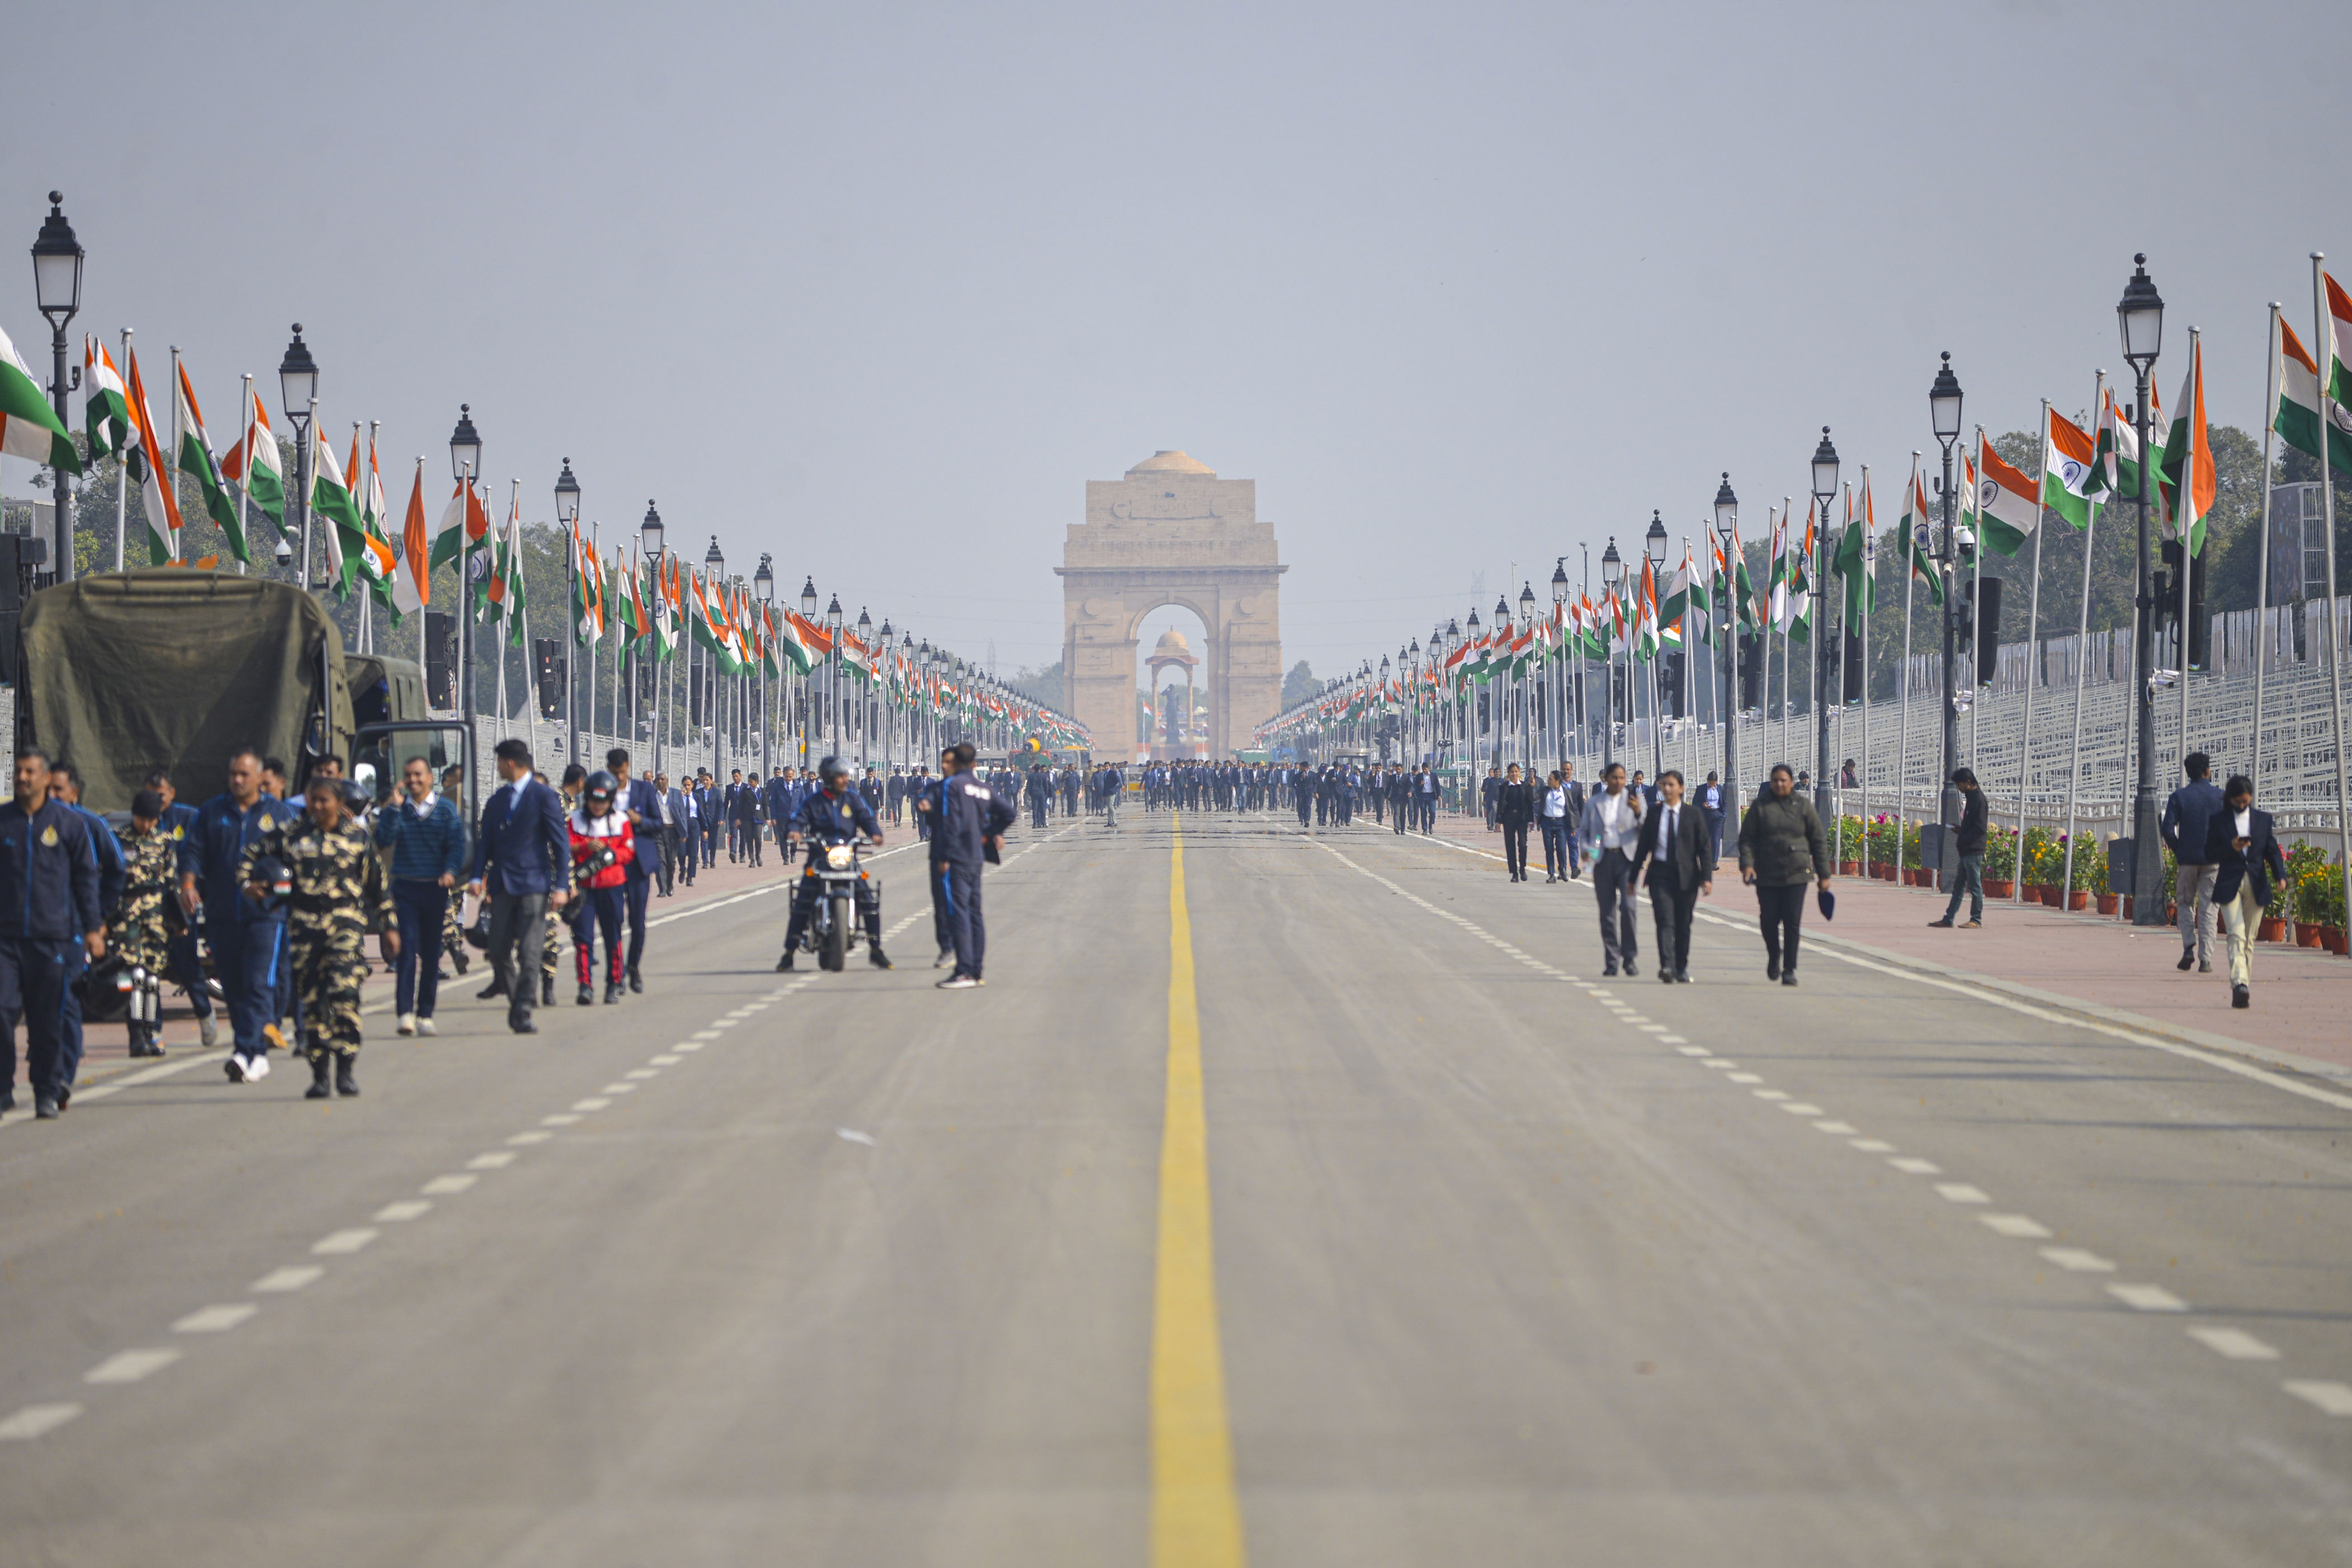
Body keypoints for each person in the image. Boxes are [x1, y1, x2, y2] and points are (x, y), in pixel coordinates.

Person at [242, 773, 395, 1099]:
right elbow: (251, 853)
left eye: (324, 800)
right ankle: (320, 1075)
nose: (317, 806)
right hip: (305, 930)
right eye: (312, 800)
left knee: (344, 997)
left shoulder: (357, 838)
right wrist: (248, 885)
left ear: (339, 804)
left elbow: (378, 886)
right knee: (313, 1003)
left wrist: (390, 927)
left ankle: (346, 1070)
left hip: (346, 930)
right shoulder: (292, 835)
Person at [180, 749, 301, 1083]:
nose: (237, 780)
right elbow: (193, 851)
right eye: (233, 774)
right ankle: (251, 1053)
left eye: (244, 775)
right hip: (222, 915)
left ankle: (247, 1051)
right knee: (232, 987)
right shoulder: (211, 812)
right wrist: (188, 883)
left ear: (260, 778)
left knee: (258, 983)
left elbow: (299, 861)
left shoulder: (281, 814)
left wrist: (281, 889)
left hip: (267, 916)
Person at [0, 750, 103, 1118]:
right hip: (6, 940)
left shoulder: (67, 824)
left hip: (52, 938)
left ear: (45, 779)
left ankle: (46, 1090)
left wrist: (93, 927)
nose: (22, 777)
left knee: (47, 1020)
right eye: (18, 771)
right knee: (1, 1012)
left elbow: (86, 878)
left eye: (30, 771)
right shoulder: (3, 821)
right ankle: (2, 1088)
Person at [469, 739, 569, 1034]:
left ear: (510, 763)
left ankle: (523, 1010)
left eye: (499, 762)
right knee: (498, 951)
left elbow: (560, 844)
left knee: (530, 951)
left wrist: (561, 884)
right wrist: (477, 877)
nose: (498, 767)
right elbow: (484, 842)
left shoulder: (544, 797)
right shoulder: (498, 800)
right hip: (501, 887)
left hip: (533, 886)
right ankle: (517, 1001)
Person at [374, 755, 465, 1036]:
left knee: (430, 954)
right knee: (406, 952)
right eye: (408, 776)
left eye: (418, 775)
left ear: (429, 778)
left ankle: (426, 1014)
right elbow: (383, 840)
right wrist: (392, 809)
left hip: (434, 889)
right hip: (405, 888)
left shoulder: (447, 810)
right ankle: (405, 1014)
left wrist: (450, 870)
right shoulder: (398, 811)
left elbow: (456, 846)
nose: (413, 780)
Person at [48, 762, 124, 1093]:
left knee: (66, 996)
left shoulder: (89, 825)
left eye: (59, 790)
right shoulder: (28, 823)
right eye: (47, 789)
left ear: (74, 793)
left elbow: (115, 871)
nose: (51, 796)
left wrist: (98, 919)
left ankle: (63, 1074)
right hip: (32, 929)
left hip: (75, 928)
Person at [777, 756, 891, 972]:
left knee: (868, 899)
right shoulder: (814, 801)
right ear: (829, 778)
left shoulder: (853, 799)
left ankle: (876, 950)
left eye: (846, 776)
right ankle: (788, 954)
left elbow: (866, 818)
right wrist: (794, 830)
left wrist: (875, 833)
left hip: (847, 858)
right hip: (820, 858)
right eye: (840, 776)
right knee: (803, 899)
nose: (845, 780)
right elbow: (799, 818)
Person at [920, 741, 1014, 988]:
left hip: (957, 856)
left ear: (958, 762)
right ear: (974, 764)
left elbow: (952, 824)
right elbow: (1008, 813)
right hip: (976, 856)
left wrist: (944, 857)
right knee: (975, 912)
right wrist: (990, 833)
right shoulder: (982, 787)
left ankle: (964, 971)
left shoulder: (954, 785)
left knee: (958, 912)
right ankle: (977, 969)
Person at [1738, 764, 1831, 986]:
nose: (1779, 784)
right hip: (1767, 873)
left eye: (1783, 780)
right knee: (1768, 921)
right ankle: (1774, 955)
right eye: (1775, 781)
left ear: (1791, 782)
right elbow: (1747, 839)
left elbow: (1818, 841)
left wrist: (1824, 875)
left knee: (1792, 922)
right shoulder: (1761, 806)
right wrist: (1748, 865)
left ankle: (1790, 969)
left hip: (1797, 873)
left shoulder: (1803, 806)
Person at [145, 768, 217, 1047]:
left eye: (161, 795)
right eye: (151, 795)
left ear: (172, 793)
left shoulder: (189, 818)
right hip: (149, 908)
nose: (157, 800)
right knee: (151, 969)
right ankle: (154, 1031)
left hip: (180, 905)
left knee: (187, 965)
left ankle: (204, 1012)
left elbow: (201, 856)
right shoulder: (143, 820)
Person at [2204, 775, 2287, 1010]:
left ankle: (2243, 986)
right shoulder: (2219, 821)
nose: (2242, 806)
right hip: (2229, 882)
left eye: (2245, 801)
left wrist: (2280, 875)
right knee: (2235, 934)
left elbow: (2271, 850)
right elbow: (2210, 852)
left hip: (2256, 883)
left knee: (2249, 939)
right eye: (2238, 802)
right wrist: (2231, 847)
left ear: (2251, 797)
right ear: (2230, 799)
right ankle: (2239, 982)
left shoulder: (2262, 820)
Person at [1631, 769, 1715, 983]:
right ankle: (1666, 966)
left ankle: (1681, 967)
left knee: (1683, 923)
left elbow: (1704, 848)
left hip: (1687, 877)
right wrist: (1632, 877)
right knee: (1664, 920)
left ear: (1681, 788)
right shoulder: (1655, 814)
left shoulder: (1693, 815)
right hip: (1660, 874)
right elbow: (1643, 847)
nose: (1667, 789)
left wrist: (1706, 877)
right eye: (1664, 785)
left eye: (1671, 785)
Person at [111, 790, 177, 1057]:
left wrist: (177, 920)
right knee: (132, 975)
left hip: (156, 917)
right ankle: (135, 1034)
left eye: (151, 820)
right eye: (141, 819)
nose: (146, 825)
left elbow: (171, 883)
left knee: (151, 977)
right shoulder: (118, 839)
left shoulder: (164, 841)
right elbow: (109, 880)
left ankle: (151, 1032)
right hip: (126, 917)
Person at [568, 770, 636, 1004]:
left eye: (603, 802)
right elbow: (566, 845)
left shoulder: (621, 820)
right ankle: (585, 985)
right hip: (584, 888)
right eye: (594, 801)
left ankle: (614, 982)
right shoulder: (575, 820)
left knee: (613, 936)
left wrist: (611, 854)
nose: (598, 806)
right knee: (583, 938)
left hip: (612, 886)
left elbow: (629, 851)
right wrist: (585, 846)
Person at [2160, 752, 2226, 974]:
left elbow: (2167, 829)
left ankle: (2189, 946)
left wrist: (2180, 849)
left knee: (2186, 903)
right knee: (2209, 908)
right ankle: (2206, 959)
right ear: (2208, 771)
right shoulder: (2220, 797)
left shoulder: (2179, 797)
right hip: (2213, 861)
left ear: (2188, 773)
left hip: (2187, 860)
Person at [1578, 761, 1645, 976]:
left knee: (1629, 907)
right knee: (1607, 912)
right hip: (1604, 860)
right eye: (1615, 778)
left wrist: (1638, 814)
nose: (1619, 782)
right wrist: (1588, 851)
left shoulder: (1635, 801)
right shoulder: (1595, 803)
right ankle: (1612, 960)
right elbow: (1586, 832)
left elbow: (1646, 829)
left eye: (1622, 778)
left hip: (1627, 860)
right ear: (1606, 779)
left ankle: (1630, 957)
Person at [611, 749, 661, 988]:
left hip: (638, 864)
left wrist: (640, 821)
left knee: (637, 922)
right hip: (612, 864)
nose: (619, 777)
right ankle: (616, 972)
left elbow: (659, 824)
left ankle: (633, 966)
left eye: (622, 772)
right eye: (615, 773)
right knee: (614, 920)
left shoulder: (644, 790)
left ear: (628, 767)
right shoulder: (603, 791)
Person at [1928, 767, 1988, 929]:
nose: (1959, 789)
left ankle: (1976, 919)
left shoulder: (1979, 800)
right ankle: (1949, 918)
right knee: (1959, 887)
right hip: (1966, 850)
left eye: (1960, 785)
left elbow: (1980, 828)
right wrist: (1961, 830)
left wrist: (1965, 838)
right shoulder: (1971, 798)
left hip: (1973, 850)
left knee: (1975, 886)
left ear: (1968, 782)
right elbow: (1972, 825)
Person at [436, 764, 472, 979]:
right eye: (456, 780)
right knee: (446, 916)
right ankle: (456, 954)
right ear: (446, 782)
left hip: (461, 871)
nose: (460, 785)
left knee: (451, 918)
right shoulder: (438, 806)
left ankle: (451, 955)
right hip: (439, 871)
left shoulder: (467, 806)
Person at [1496, 762, 1536, 882]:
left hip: (1522, 819)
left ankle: (1522, 868)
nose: (1514, 774)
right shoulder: (1504, 787)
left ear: (1519, 773)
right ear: (1509, 774)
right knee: (1510, 845)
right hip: (1508, 818)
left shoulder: (1525, 787)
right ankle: (1514, 873)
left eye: (1516, 772)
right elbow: (1501, 803)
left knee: (1523, 844)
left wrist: (1531, 820)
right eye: (1512, 772)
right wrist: (1498, 821)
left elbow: (1530, 804)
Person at [1539, 770, 1572, 882]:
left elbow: (1570, 810)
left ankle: (1562, 868)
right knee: (1549, 849)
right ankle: (1552, 874)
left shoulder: (1566, 792)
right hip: (1547, 823)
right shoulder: (1545, 791)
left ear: (1557, 781)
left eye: (1551, 779)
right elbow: (1534, 797)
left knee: (1561, 849)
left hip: (1561, 823)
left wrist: (1573, 827)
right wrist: (1531, 786)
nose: (1548, 780)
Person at [1558, 762, 1586, 876]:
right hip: (1561, 819)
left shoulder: (1577, 786)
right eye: (1564, 769)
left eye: (1568, 769)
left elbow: (1581, 804)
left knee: (1573, 844)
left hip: (1575, 820)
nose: (1566, 772)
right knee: (1561, 847)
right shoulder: (1558, 785)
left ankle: (1574, 868)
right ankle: (1562, 869)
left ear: (1572, 770)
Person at [1698, 771, 1726, 858]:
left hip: (1718, 815)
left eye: (1713, 784)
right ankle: (1707, 859)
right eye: (1710, 783)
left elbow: (1724, 803)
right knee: (1707, 838)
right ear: (1707, 781)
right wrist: (1703, 805)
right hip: (1706, 814)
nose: (1711, 786)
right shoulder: (1701, 789)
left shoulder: (1721, 789)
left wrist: (1724, 815)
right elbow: (1695, 802)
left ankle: (1714, 861)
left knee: (1716, 839)